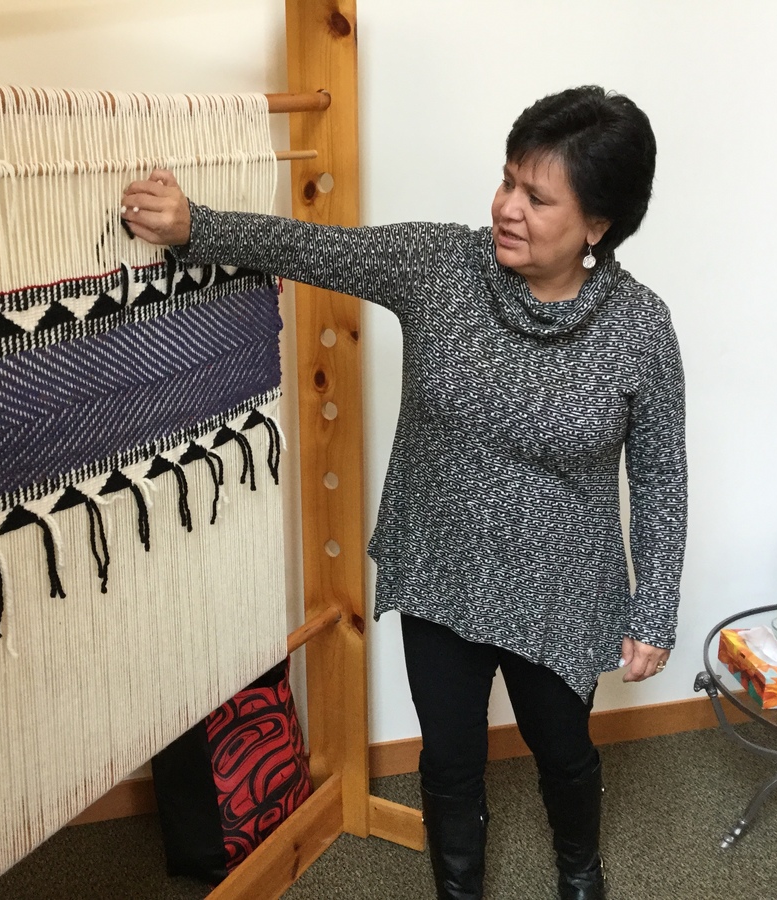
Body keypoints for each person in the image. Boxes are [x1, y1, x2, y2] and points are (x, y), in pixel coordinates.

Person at [121, 86, 686, 900]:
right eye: (506, 181)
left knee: (564, 751)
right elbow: (315, 249)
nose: (506, 207)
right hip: (441, 567)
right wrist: (193, 225)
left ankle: (579, 870)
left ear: (598, 224)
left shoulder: (639, 328)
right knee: (448, 758)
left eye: (537, 196)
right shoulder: (439, 266)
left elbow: (662, 473)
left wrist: (653, 605)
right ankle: (458, 889)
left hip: (562, 584)